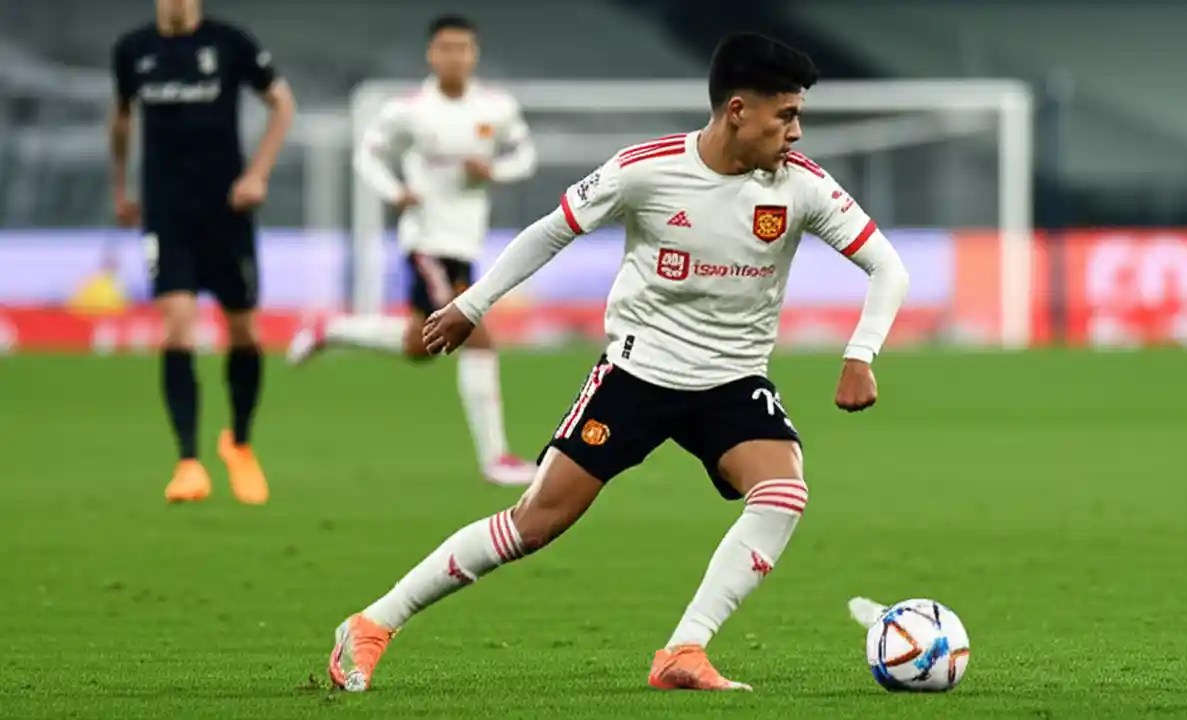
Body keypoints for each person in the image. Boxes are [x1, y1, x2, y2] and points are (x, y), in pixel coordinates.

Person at [327, 33, 910, 692]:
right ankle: (372, 623)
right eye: (786, 116)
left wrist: (860, 354)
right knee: (535, 523)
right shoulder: (646, 170)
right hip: (636, 375)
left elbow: (885, 266)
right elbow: (551, 231)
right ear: (739, 110)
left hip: (732, 382)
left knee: (783, 493)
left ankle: (684, 652)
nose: (796, 133)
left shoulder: (801, 187)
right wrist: (473, 303)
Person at [287, 15, 539, 487]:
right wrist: (394, 190)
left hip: (465, 239)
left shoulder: (496, 108)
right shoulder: (409, 110)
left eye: (463, 48)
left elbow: (524, 157)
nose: (455, 57)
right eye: (445, 48)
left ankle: (330, 329)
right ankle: (496, 458)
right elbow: (368, 154)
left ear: (475, 53)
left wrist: (494, 171)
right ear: (431, 54)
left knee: (420, 344)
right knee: (475, 334)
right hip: (425, 239)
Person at [110, 0, 295, 504]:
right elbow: (122, 119)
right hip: (167, 215)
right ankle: (188, 461)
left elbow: (282, 103)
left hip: (227, 212)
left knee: (243, 330)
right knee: (177, 325)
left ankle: (239, 442)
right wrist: (121, 189)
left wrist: (257, 174)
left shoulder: (230, 43)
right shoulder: (133, 51)